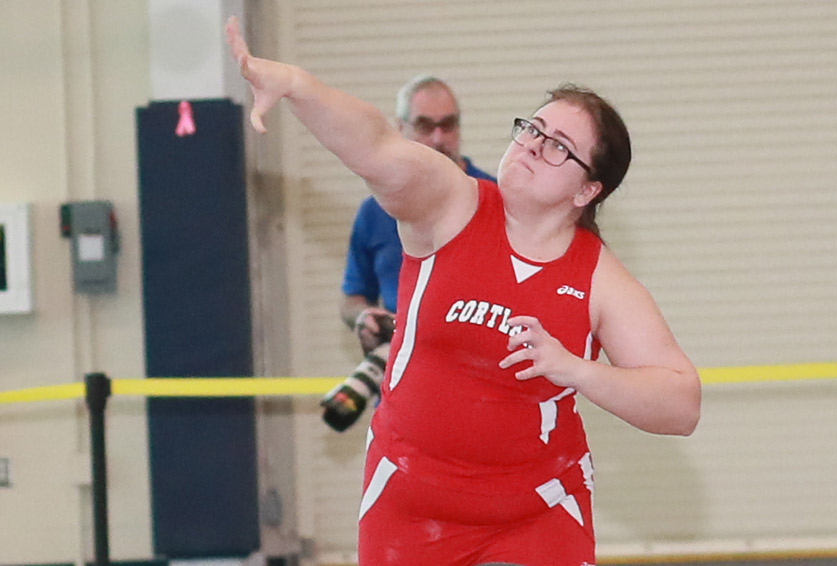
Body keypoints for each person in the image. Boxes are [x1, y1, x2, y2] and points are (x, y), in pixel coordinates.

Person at [227, 16, 701, 566]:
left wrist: (575, 368)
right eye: (532, 129)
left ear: (587, 188)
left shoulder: (599, 278)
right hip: (411, 503)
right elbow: (376, 143)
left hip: (537, 511)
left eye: (558, 147)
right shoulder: (452, 203)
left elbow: (681, 403)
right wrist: (297, 86)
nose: (532, 145)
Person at [322, 75, 497, 432]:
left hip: (482, 393)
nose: (438, 138)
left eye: (448, 125)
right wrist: (365, 317)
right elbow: (351, 297)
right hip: (400, 394)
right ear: (400, 129)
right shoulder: (374, 213)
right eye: (425, 125)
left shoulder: (496, 200)